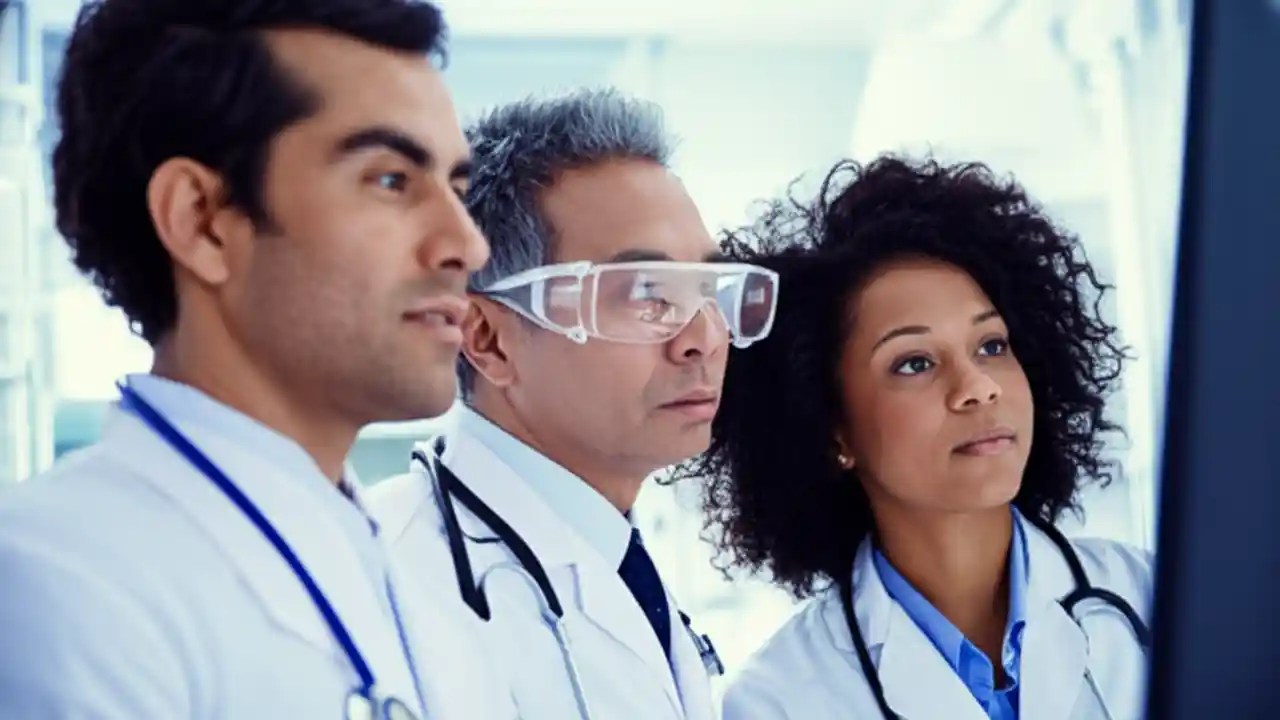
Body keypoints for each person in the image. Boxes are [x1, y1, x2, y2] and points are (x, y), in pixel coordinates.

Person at [0, 1, 504, 718]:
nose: (467, 246)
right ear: (203, 221)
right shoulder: (57, 589)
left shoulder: (399, 578)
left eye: (456, 187)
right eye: (392, 180)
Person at [681, 156, 1154, 720]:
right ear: (831, 427)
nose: (976, 388)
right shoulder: (778, 700)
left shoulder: (1157, 601)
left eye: (991, 347)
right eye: (914, 363)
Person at [366, 88, 779, 720]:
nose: (703, 339)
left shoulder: (617, 557)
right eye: (647, 293)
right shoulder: (381, 579)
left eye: (709, 289)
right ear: (488, 338)